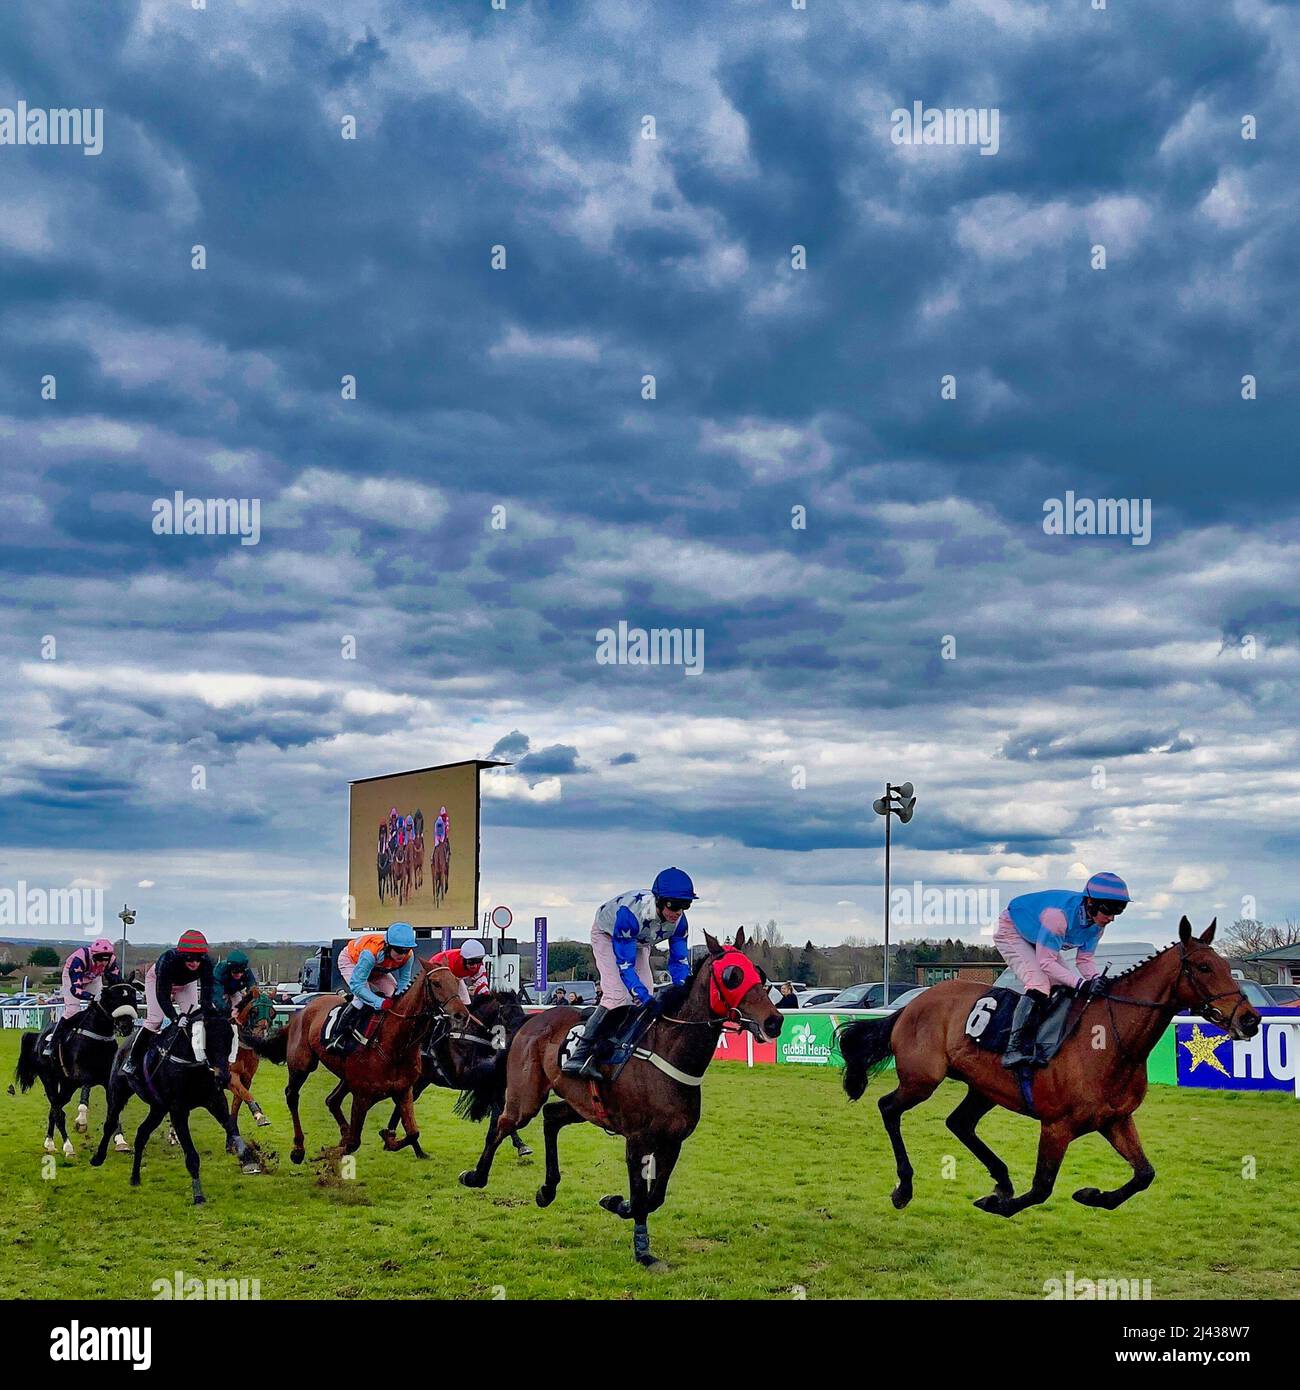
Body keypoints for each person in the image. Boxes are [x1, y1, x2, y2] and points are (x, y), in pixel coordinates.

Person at [562, 867, 696, 1078]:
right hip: (608, 935)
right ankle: (580, 1055)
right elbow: (625, 966)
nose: (678, 911)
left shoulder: (680, 923)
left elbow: (679, 963)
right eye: (674, 904)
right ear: (659, 900)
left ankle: (628, 1047)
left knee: (647, 994)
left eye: (685, 905)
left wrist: (683, 991)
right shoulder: (630, 914)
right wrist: (641, 995)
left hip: (640, 941)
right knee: (618, 994)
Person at [995, 872, 1130, 1067]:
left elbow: (1084, 960)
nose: (1111, 919)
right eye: (1108, 912)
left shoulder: (1097, 925)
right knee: (1039, 984)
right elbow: (1046, 963)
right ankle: (1012, 1049)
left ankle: (1045, 1044)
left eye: (1118, 912)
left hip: (1037, 936)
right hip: (1013, 930)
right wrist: (1082, 984)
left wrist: (1096, 979)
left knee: (1064, 987)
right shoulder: (1058, 917)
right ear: (1091, 903)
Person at [122, 930, 215, 1076]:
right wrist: (175, 1017)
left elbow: (206, 996)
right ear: (182, 955)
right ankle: (132, 1059)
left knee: (197, 1020)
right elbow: (163, 996)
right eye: (190, 959)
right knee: (155, 1020)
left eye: (199, 959)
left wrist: (206, 1014)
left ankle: (203, 1058)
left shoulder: (207, 963)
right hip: (157, 981)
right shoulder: (168, 960)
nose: (195, 963)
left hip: (186, 984)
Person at [327, 922, 417, 1054]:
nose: (402, 955)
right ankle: (337, 1037)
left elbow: (404, 982)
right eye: (399, 950)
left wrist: (397, 998)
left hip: (377, 969)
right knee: (361, 998)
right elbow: (357, 985)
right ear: (388, 946)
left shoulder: (409, 956)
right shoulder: (370, 953)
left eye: (406, 950)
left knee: (393, 994)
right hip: (352, 961)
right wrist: (379, 1002)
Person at [44, 939, 122, 1058]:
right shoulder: (78, 960)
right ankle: (53, 1043)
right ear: (93, 956)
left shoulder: (111, 960)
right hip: (73, 978)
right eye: (100, 959)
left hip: (93, 978)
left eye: (106, 960)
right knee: (72, 1010)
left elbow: (116, 982)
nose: (103, 963)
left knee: (100, 1007)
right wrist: (92, 997)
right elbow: (76, 990)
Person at [429, 939, 490, 1009]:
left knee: (467, 1002)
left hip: (455, 976)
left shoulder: (479, 967)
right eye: (471, 962)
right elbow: (446, 985)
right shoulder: (450, 961)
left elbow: (482, 986)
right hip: (437, 970)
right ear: (463, 959)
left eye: (478, 961)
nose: (475, 965)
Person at [213, 949, 258, 1016]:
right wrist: (228, 1012)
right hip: (220, 991)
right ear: (229, 969)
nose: (239, 974)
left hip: (235, 991)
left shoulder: (247, 971)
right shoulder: (219, 971)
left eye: (241, 972)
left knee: (238, 1004)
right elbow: (217, 996)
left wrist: (240, 1007)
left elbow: (253, 990)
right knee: (215, 1010)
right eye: (235, 972)